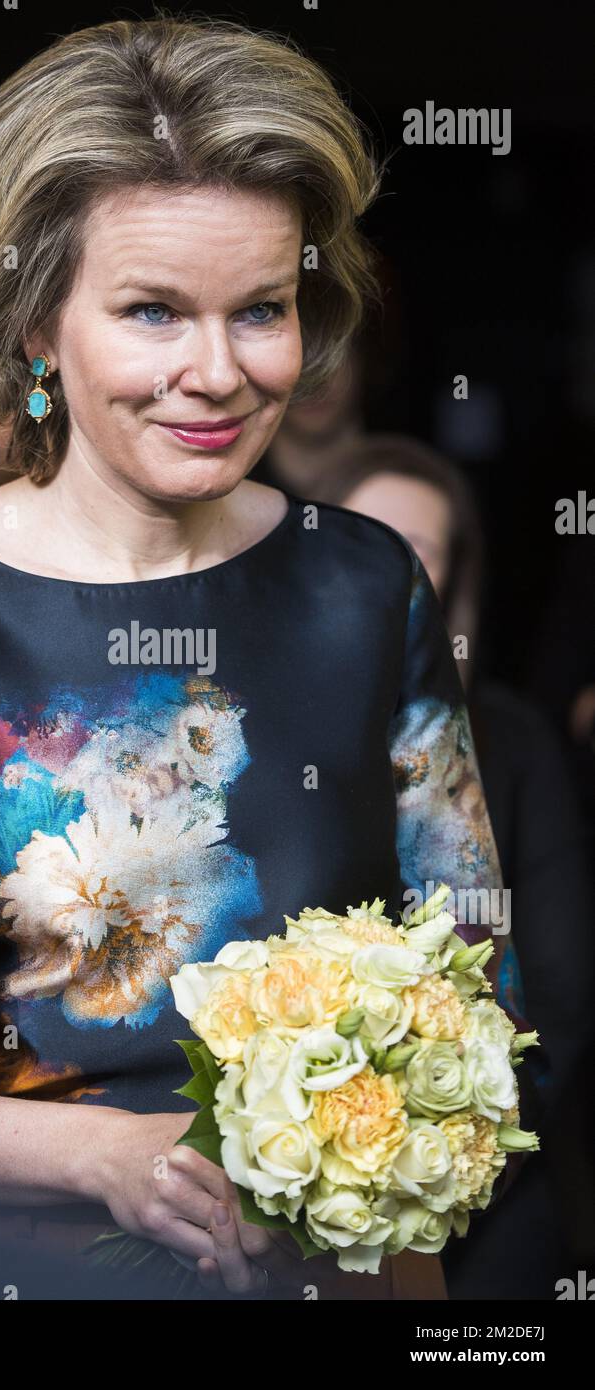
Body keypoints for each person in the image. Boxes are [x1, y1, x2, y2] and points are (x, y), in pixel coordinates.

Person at [0, 17, 531, 1301]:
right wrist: (103, 1157)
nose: (216, 374)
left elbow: (481, 979)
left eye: (259, 310)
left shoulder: (365, 582)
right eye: (153, 311)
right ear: (37, 327)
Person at [303, 432, 595, 1295]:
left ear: (452, 585)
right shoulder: (234, 735)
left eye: (414, 555)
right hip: (267, 1191)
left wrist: (445, 1166)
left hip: (481, 1191)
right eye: (360, 541)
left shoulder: (510, 739)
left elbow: (561, 988)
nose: (382, 576)